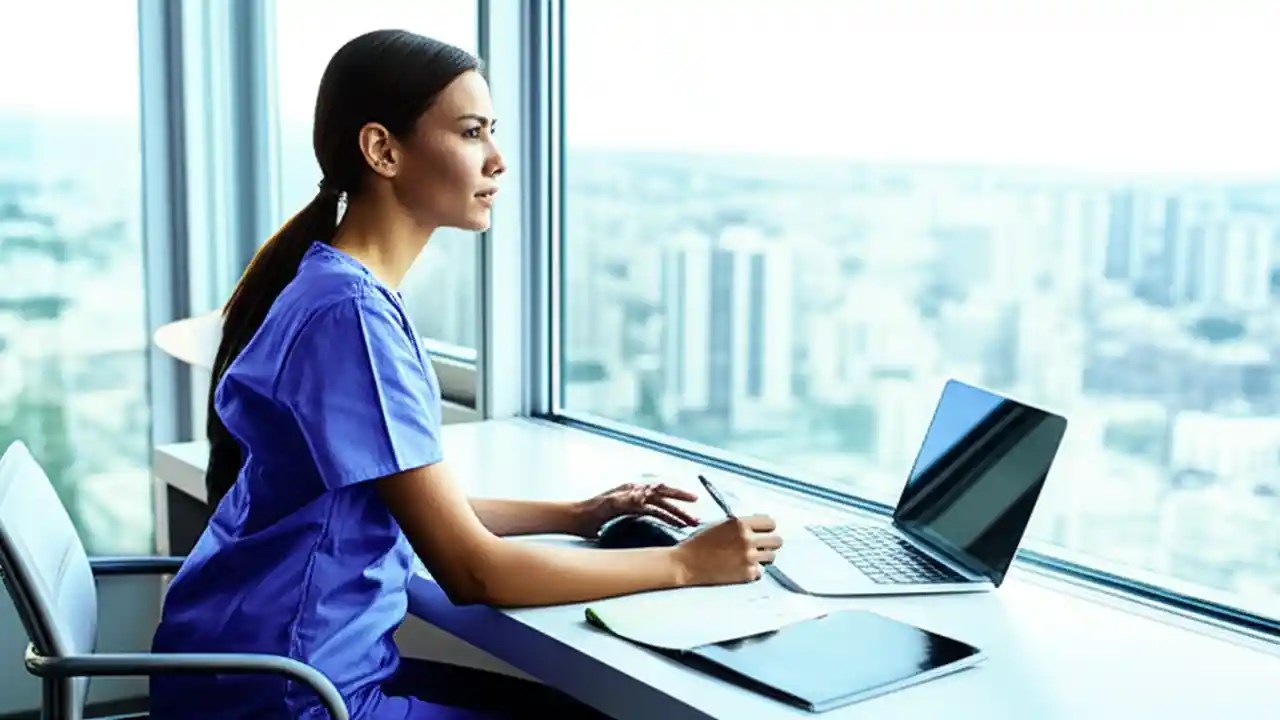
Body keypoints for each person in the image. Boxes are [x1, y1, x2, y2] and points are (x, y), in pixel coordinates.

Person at [149, 29, 782, 720]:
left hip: (262, 669)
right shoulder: (350, 317)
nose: (498, 161)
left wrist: (578, 514)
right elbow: (472, 569)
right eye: (473, 132)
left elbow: (408, 505)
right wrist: (686, 565)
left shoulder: (337, 290)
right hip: (292, 698)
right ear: (382, 150)